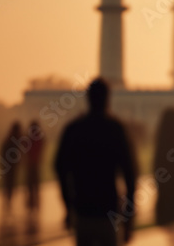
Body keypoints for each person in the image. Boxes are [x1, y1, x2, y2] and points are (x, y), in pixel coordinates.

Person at [55, 78, 137, 245]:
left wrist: (68, 206)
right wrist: (129, 216)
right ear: (108, 99)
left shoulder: (74, 130)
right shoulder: (115, 129)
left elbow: (60, 168)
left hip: (83, 210)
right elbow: (130, 173)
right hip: (108, 211)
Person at [0, 121, 21, 212]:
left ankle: (8, 202)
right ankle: (8, 202)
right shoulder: (12, 140)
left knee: (9, 184)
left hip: (10, 166)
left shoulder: (11, 140)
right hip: (10, 166)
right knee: (9, 184)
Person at [25, 120, 45, 213]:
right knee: (34, 184)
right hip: (34, 163)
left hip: (31, 163)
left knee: (31, 184)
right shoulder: (38, 138)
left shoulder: (29, 138)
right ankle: (34, 201)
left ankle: (32, 201)